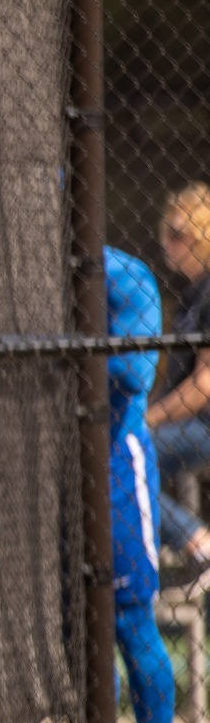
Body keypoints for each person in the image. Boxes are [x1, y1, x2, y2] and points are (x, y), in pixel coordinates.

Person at [104, 248, 179, 723]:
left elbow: (133, 373)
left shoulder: (125, 275)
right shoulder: (15, 268)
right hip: (42, 465)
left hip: (115, 467)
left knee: (130, 619)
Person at [144, 182, 210, 597]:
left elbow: (204, 385)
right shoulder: (191, 294)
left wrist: (146, 418)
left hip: (204, 424)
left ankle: (198, 545)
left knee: (118, 455)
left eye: (176, 234)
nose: (165, 243)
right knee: (122, 462)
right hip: (189, 420)